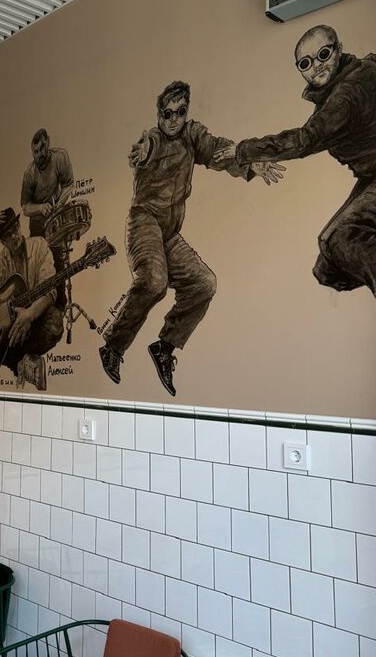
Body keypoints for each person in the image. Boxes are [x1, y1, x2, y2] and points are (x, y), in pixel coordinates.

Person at [100, 81, 283, 396]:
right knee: (154, 281)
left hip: (170, 233)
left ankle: (165, 346)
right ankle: (113, 346)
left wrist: (251, 160)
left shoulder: (192, 135)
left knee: (204, 283)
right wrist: (141, 151)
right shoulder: (153, 139)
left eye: (180, 112)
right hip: (144, 223)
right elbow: (146, 147)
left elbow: (219, 150)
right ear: (159, 114)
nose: (174, 120)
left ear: (186, 112)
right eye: (167, 114)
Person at [214, 25, 376, 296]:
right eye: (306, 63)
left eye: (323, 54)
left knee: (338, 239)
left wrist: (242, 150)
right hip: (371, 176)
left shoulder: (346, 94)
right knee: (327, 269)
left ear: (339, 49)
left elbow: (304, 140)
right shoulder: (359, 72)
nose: (317, 66)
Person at [0, 207, 64, 390]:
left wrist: (30, 314)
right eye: (8, 236)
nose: (14, 236)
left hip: (36, 316)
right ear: (3, 242)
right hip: (12, 324)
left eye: (15, 229)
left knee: (55, 322)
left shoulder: (39, 245)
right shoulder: (2, 261)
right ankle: (23, 362)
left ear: (20, 226)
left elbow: (50, 290)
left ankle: (18, 361)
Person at [20, 128, 75, 238]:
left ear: (48, 142)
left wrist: (59, 204)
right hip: (38, 227)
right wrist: (41, 208)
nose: (39, 154)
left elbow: (69, 184)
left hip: (58, 220)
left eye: (42, 148)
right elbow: (25, 207)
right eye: (36, 152)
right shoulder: (29, 174)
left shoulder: (60, 157)